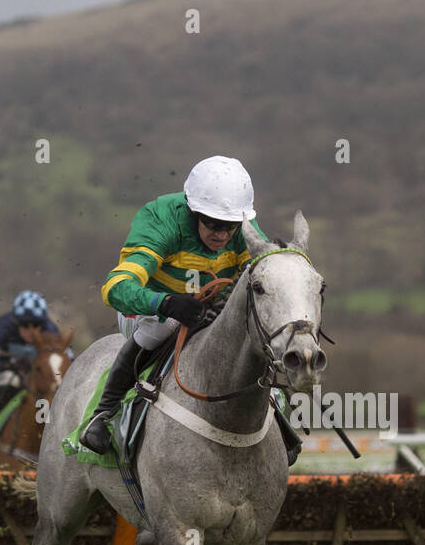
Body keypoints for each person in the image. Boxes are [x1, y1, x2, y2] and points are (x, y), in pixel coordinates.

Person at [80, 155, 302, 462]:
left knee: (252, 334)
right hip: (150, 311)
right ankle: (102, 413)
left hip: (209, 311)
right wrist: (166, 303)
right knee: (166, 325)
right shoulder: (161, 220)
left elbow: (262, 274)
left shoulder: (241, 226)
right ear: (192, 209)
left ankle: (277, 419)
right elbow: (115, 288)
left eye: (231, 226)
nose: (222, 235)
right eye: (212, 224)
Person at [0, 290, 68, 459]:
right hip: (8, 376)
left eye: (37, 325)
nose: (32, 331)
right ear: (15, 322)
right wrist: (8, 365)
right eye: (25, 325)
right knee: (11, 379)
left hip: (38, 379)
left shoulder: (50, 330)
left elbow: (66, 360)